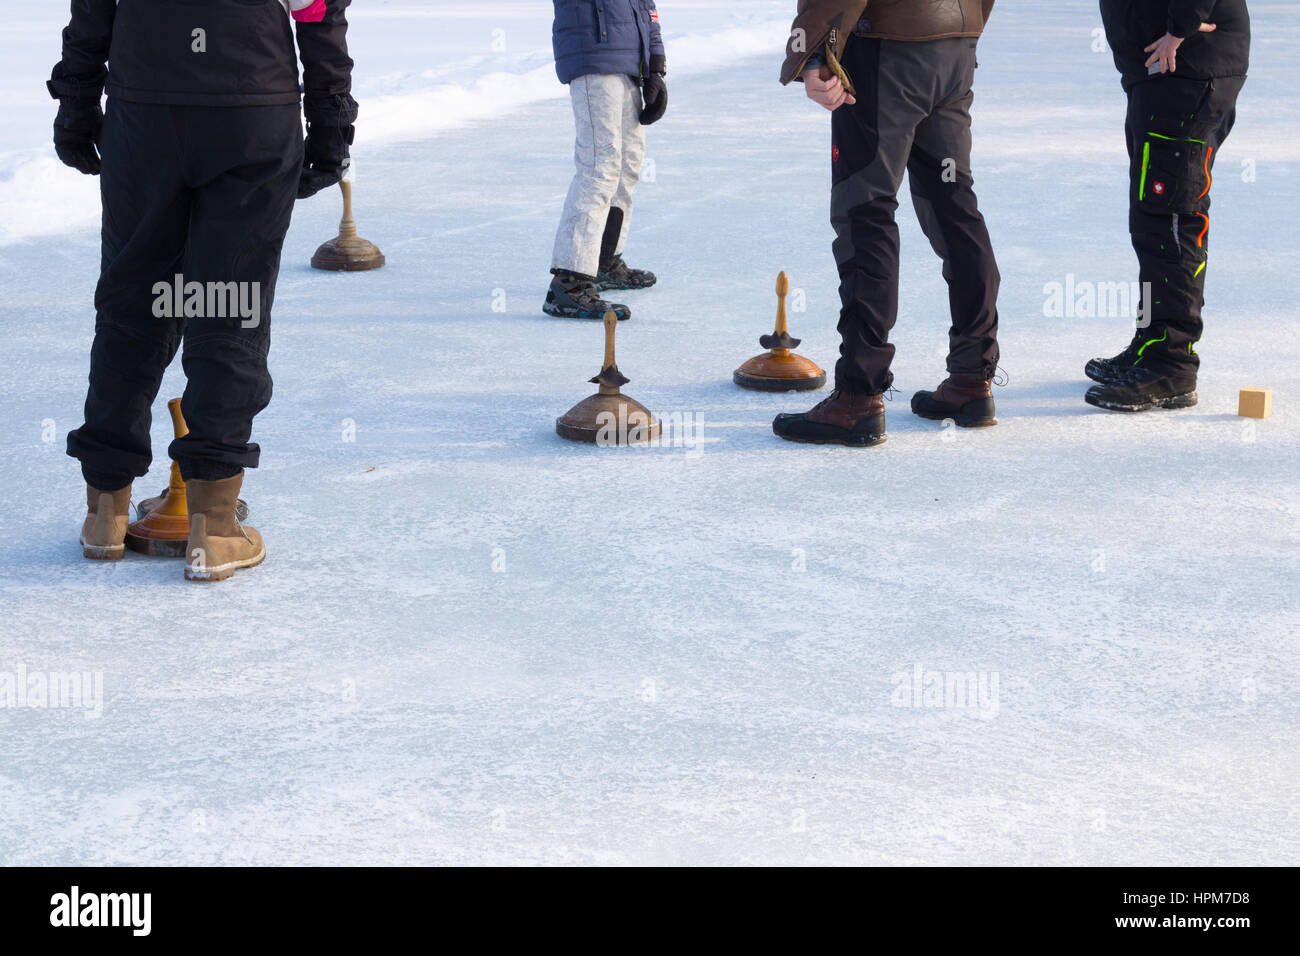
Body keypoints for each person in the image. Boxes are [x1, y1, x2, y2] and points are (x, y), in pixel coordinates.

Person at [52, 0, 357, 580]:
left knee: (132, 302)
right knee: (229, 304)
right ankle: (213, 529)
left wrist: (78, 103)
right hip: (250, 111)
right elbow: (317, 11)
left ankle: (105, 514)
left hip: (145, 114)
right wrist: (330, 119)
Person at [772, 0, 1000, 447]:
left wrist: (814, 52)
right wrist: (961, 30)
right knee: (954, 204)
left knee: (866, 210)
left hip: (887, 48)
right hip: (953, 46)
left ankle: (858, 396)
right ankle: (972, 378)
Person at [1086, 0, 1250, 412]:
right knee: (1150, 221)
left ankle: (1172, 363)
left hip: (1186, 67)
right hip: (1161, 72)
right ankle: (1151, 341)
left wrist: (1183, 24)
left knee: (1171, 218)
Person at [544, 0, 668, 321]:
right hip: (593, 58)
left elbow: (647, 8)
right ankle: (570, 281)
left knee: (627, 166)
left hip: (631, 62)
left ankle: (603, 260)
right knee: (600, 165)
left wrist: (656, 66)